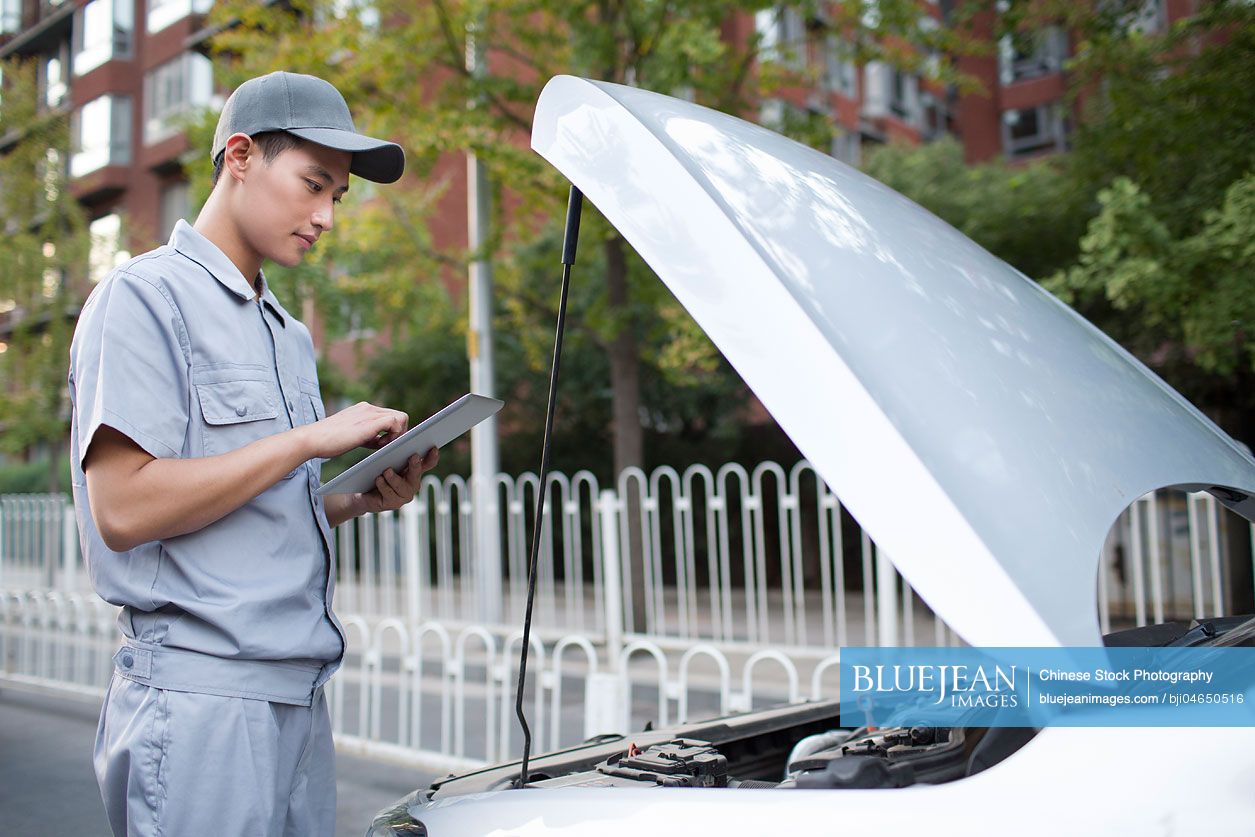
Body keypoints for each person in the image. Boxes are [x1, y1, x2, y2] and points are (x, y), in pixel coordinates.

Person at [68, 71, 434, 836]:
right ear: (239, 156)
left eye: (338, 195)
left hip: (297, 699)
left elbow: (250, 510)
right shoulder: (142, 297)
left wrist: (356, 496)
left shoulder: (287, 334)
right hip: (202, 702)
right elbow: (125, 508)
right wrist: (306, 438)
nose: (326, 215)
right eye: (313, 184)